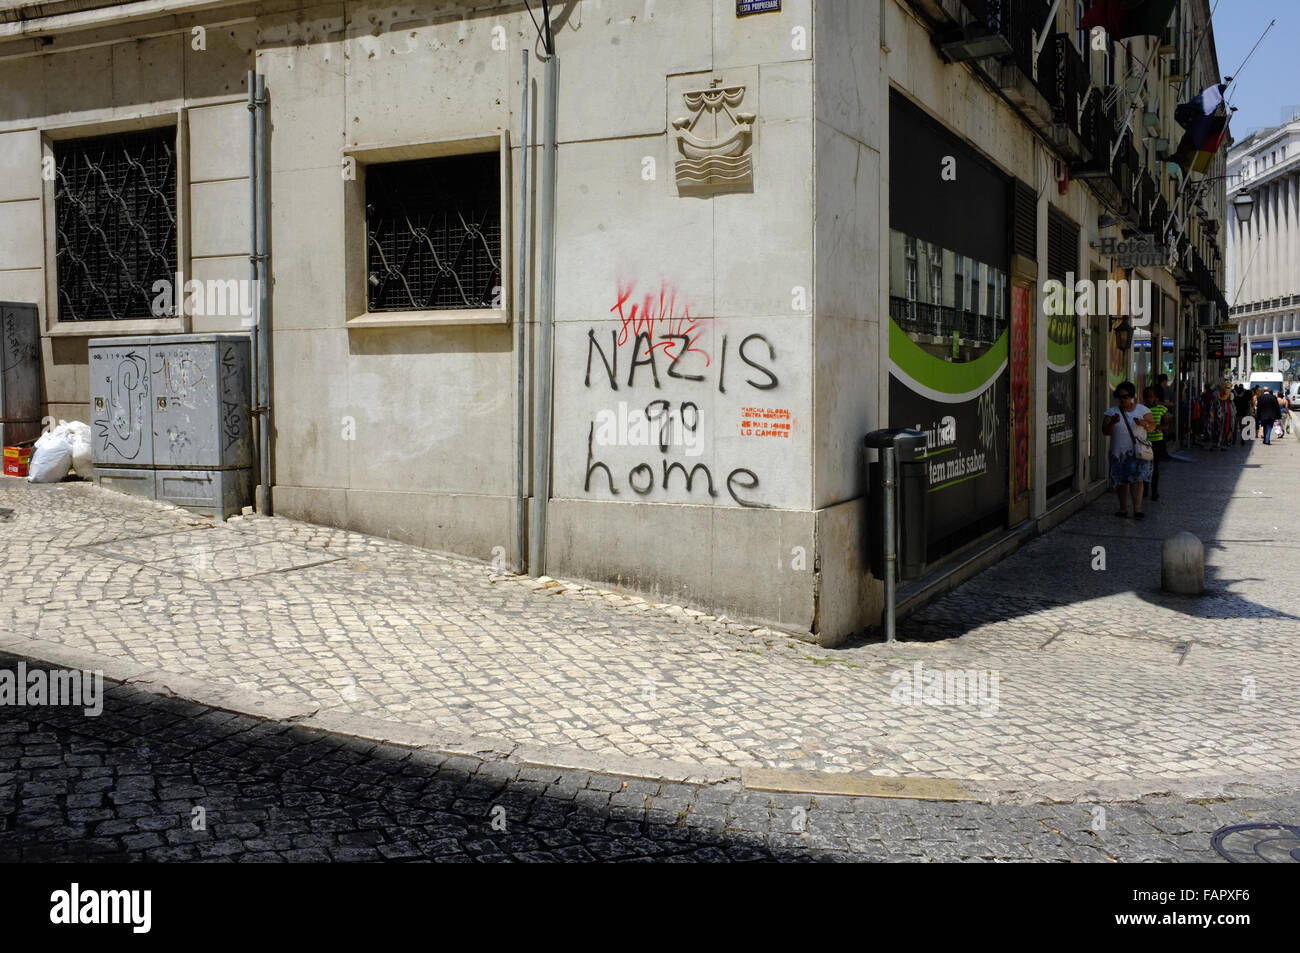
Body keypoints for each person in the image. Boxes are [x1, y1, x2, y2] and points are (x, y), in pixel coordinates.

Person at [1102, 381, 1156, 518]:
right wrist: (1112, 422)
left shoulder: (1142, 410)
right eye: (1120, 397)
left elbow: (1152, 426)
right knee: (1121, 481)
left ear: (1131, 396)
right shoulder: (1112, 412)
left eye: (1125, 396)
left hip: (1137, 452)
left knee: (1137, 481)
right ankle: (1123, 509)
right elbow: (1105, 431)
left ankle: (1138, 510)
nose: (1123, 400)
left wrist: (1143, 423)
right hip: (1118, 453)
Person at [1143, 386, 1169, 501]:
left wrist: (1159, 427)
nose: (1148, 399)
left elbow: (1166, 425)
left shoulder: (1161, 409)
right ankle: (1144, 489)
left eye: (1151, 397)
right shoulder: (1141, 409)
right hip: (1144, 442)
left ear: (1156, 398)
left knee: (1155, 468)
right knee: (1144, 466)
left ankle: (1154, 491)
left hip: (1157, 442)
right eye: (1146, 397)